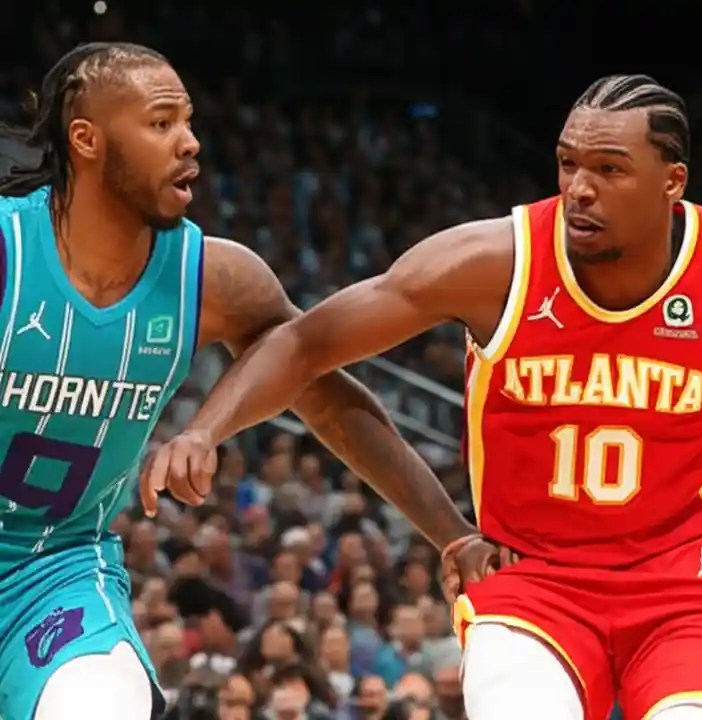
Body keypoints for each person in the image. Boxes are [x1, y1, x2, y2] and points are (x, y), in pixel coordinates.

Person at [150, 74, 702, 720]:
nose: (579, 186)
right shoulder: (492, 262)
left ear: (672, 182)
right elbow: (305, 340)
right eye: (567, 163)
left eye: (608, 169)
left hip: (687, 578)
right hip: (535, 577)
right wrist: (207, 428)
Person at [0, 42, 495, 720]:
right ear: (86, 140)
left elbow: (318, 385)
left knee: (100, 704)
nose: (190, 143)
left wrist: (453, 533)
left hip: (53, 570)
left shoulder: (213, 279)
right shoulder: (10, 254)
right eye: (161, 123)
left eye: (189, 120)